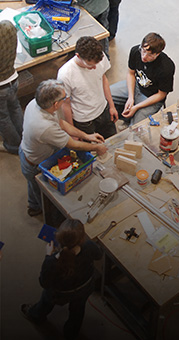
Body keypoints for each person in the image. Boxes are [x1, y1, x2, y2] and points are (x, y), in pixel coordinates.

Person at [19, 80, 107, 217]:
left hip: (31, 150)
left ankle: (33, 205)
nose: (67, 99)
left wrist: (87, 136)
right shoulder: (44, 126)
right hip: (34, 162)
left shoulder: (37, 104)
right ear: (55, 104)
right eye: (64, 98)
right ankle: (39, 210)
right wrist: (97, 147)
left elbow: (61, 123)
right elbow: (73, 145)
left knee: (32, 186)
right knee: (42, 193)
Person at [21, 219, 102, 340]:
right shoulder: (88, 246)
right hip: (84, 288)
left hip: (58, 293)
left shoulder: (51, 262)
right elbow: (99, 255)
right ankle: (71, 333)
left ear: (59, 239)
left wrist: (48, 255)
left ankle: (36, 315)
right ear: (82, 239)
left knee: (46, 301)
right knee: (78, 311)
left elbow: (44, 283)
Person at [58, 36, 117, 139]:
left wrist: (111, 106)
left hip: (103, 110)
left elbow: (104, 79)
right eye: (90, 65)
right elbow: (65, 104)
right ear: (78, 56)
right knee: (86, 149)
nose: (94, 68)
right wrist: (73, 131)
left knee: (112, 140)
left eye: (96, 64)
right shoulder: (65, 74)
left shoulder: (100, 57)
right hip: (83, 120)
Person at [110, 33, 175, 128]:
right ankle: (126, 118)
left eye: (150, 55)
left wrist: (136, 107)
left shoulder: (166, 67)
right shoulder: (135, 51)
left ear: (158, 54)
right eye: (143, 51)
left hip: (151, 96)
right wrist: (131, 97)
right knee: (108, 94)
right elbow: (131, 73)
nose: (144, 57)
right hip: (137, 85)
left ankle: (131, 121)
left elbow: (161, 95)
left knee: (136, 128)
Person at [0, 20, 23, 154]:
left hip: (0, 87)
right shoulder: (7, 26)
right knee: (15, 107)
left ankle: (14, 146)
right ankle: (23, 137)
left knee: (3, 117)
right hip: (13, 79)